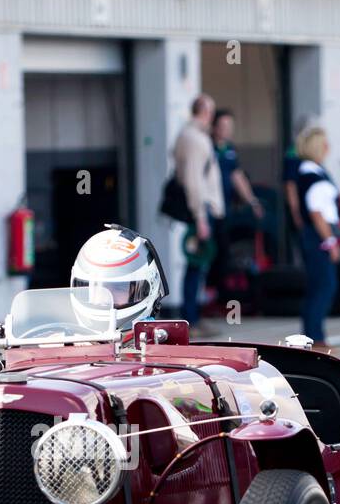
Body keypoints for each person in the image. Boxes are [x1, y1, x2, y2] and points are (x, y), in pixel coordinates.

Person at [172, 93, 224, 335]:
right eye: (211, 112)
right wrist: (200, 216)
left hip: (202, 209)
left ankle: (193, 316)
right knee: (196, 264)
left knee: (199, 265)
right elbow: (193, 180)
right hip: (200, 210)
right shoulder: (193, 138)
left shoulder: (192, 136)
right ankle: (189, 319)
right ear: (204, 112)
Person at [293, 126, 340, 349]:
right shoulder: (310, 175)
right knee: (324, 285)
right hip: (318, 234)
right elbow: (316, 211)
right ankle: (314, 335)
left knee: (321, 284)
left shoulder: (313, 172)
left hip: (318, 232)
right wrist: (330, 240)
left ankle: (315, 333)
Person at [68, 224, 169, 330]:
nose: (105, 299)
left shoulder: (159, 344)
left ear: (149, 289)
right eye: (97, 288)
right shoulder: (60, 341)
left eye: (119, 289)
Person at [210, 109, 264, 296]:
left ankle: (221, 293)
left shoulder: (230, 149)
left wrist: (252, 201)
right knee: (206, 253)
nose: (227, 130)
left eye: (230, 127)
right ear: (214, 127)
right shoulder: (206, 147)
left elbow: (237, 176)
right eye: (223, 126)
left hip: (224, 209)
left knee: (224, 250)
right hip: (208, 209)